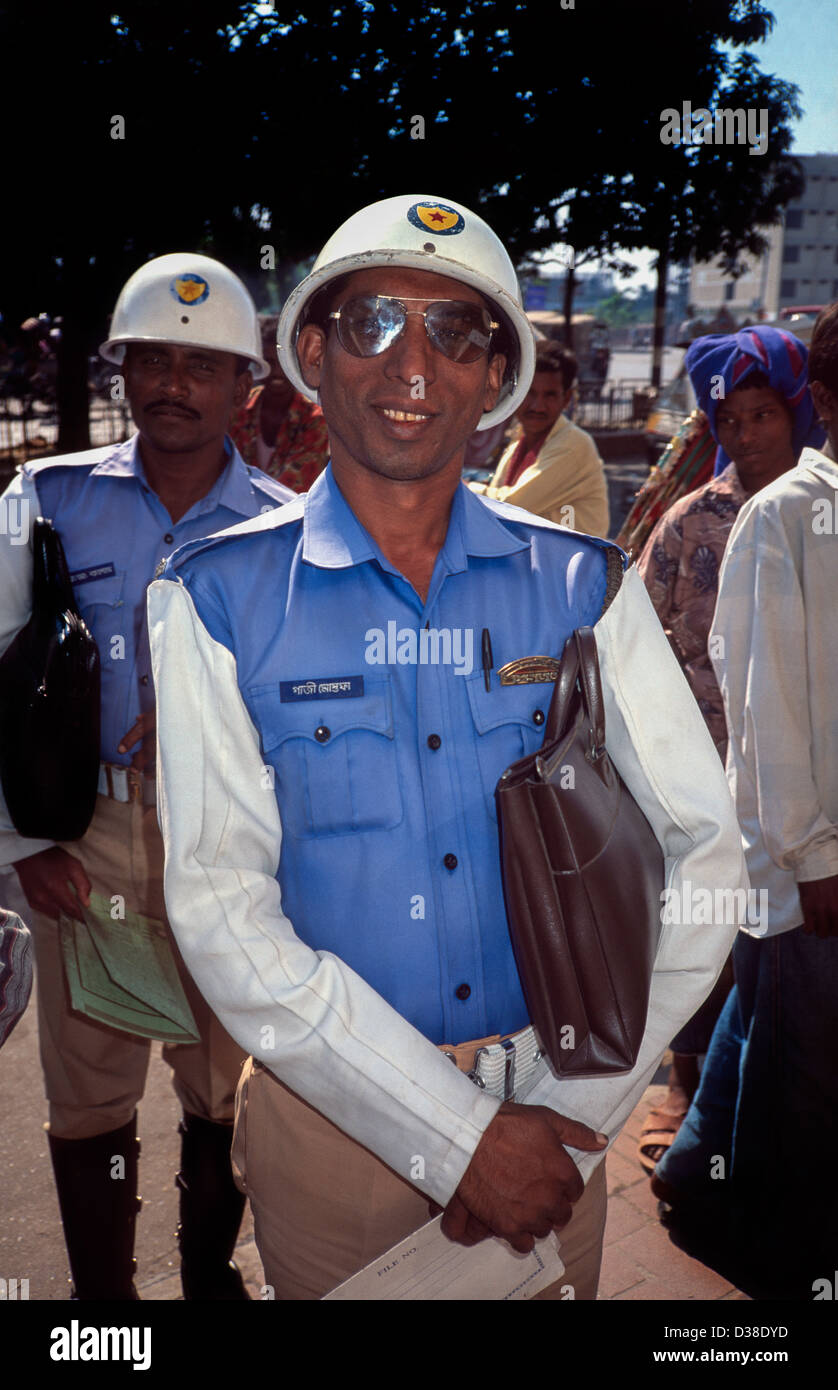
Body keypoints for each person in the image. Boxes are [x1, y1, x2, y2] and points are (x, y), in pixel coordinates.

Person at [149, 194, 746, 1301]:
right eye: (374, 322)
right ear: (314, 356)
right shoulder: (214, 596)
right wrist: (456, 1133)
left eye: (457, 332)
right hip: (334, 1129)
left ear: (494, 375)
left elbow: (705, 856)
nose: (414, 363)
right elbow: (221, 906)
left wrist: (572, 1113)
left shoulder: (582, 583)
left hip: (557, 1101)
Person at [0, 252, 293, 1300]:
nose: (174, 382)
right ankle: (106, 1306)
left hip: (230, 844)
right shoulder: (49, 499)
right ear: (124, 370)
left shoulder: (286, 526)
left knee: (229, 1087)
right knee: (90, 1095)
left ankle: (208, 1285)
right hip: (91, 838)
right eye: (152, 359)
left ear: (243, 387)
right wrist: (23, 845)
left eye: (201, 365)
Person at [652, 306, 838, 1298]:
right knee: (795, 1064)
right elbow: (762, 703)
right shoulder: (769, 519)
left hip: (794, 845)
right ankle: (775, 1254)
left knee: (762, 1018)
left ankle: (696, 1172)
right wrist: (811, 855)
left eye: (765, 414)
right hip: (782, 838)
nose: (749, 432)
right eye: (738, 417)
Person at [468, 339, 609, 536]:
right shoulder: (520, 439)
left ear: (566, 399)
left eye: (550, 395)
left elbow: (509, 506)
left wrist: (463, 487)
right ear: (516, 393)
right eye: (530, 394)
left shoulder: (573, 446)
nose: (538, 406)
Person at [229, 312, 329, 491]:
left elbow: (294, 485)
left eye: (283, 364)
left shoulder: (315, 419)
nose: (276, 373)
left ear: (295, 363)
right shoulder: (239, 409)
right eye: (269, 362)